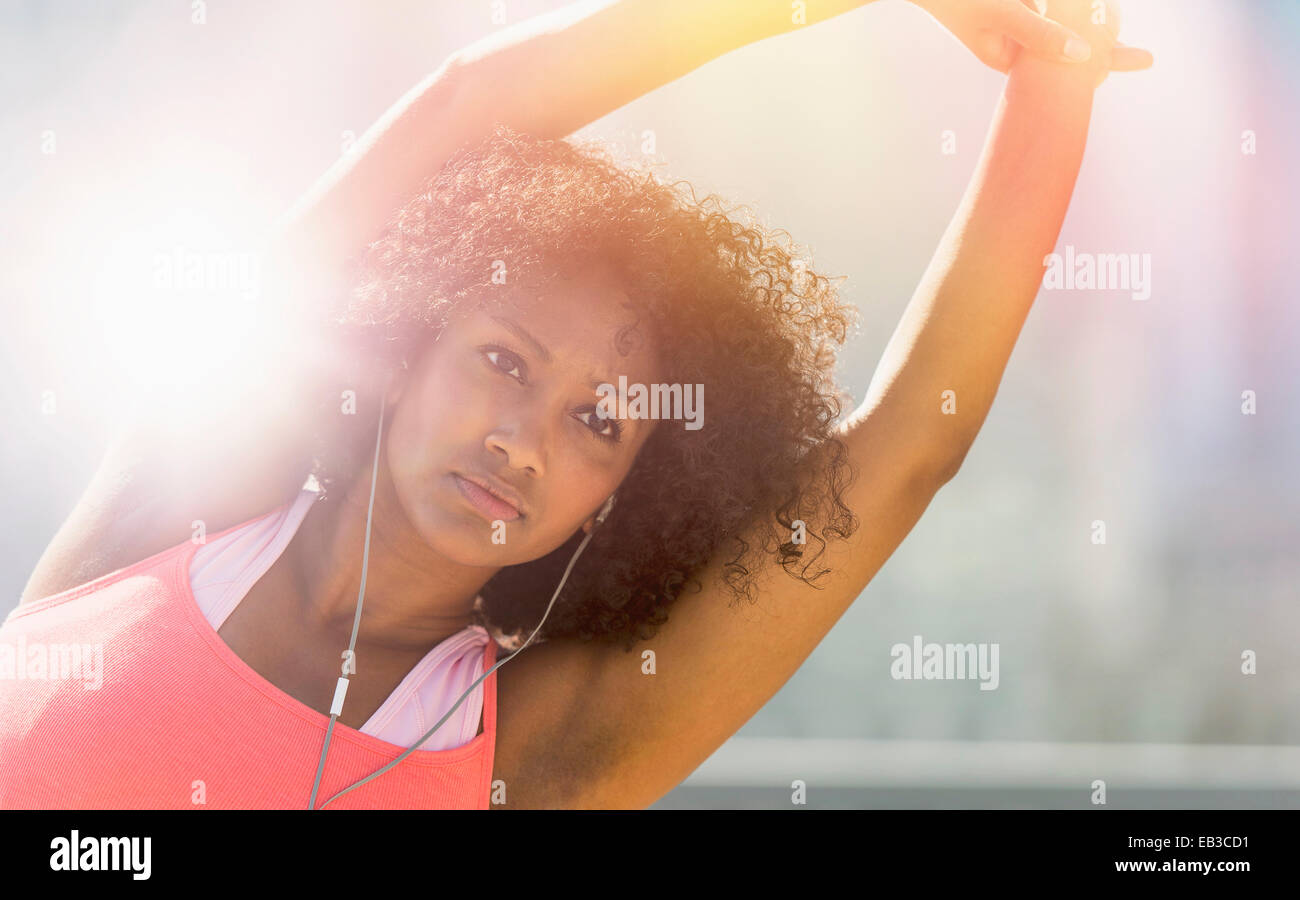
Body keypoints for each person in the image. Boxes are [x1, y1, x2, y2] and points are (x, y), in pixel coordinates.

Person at [1, 0, 1151, 809]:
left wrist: (1056, 75)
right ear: (406, 344)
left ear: (619, 499)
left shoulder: (530, 757)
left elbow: (907, 445)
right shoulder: (170, 505)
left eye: (599, 422)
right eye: (502, 360)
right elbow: (463, 107)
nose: (521, 440)